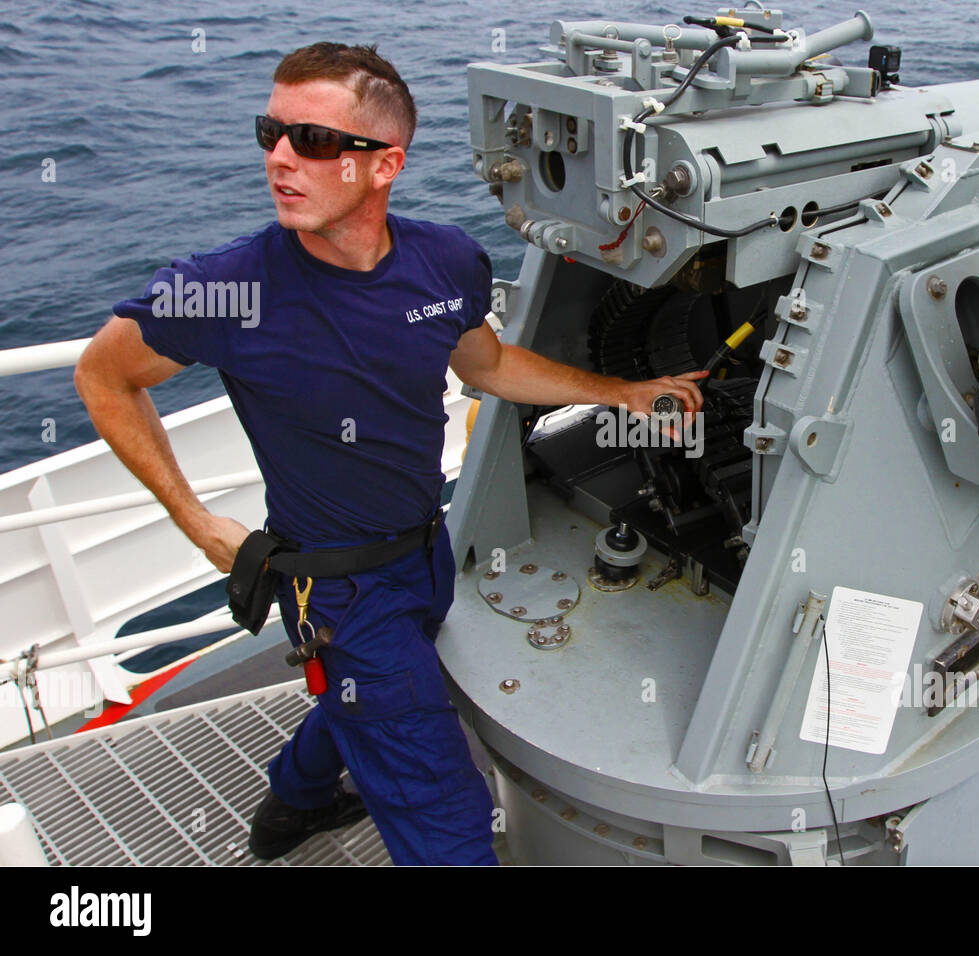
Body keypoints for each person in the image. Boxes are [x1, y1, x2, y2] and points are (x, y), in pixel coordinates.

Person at [74, 41, 708, 865]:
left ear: (385, 165)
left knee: (361, 701)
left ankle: (291, 806)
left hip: (425, 552)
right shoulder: (227, 290)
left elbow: (484, 365)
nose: (278, 158)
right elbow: (103, 376)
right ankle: (328, 800)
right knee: (446, 821)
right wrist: (195, 520)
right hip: (337, 591)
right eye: (272, 131)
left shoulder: (446, 260)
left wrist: (616, 393)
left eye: (313, 140)